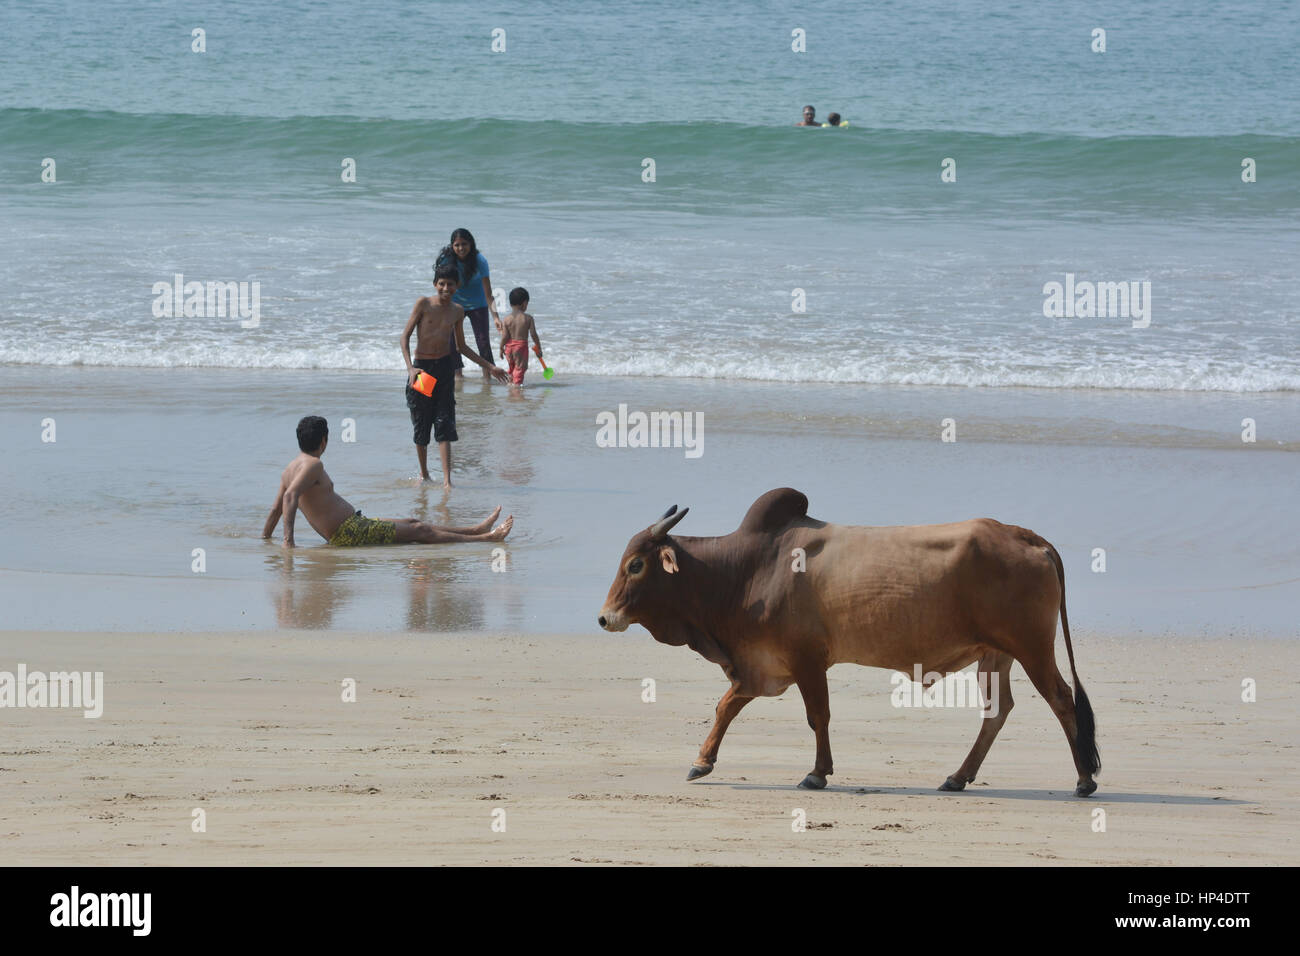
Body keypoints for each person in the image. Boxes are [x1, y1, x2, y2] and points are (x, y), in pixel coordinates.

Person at [262, 416, 513, 546]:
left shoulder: (290, 468)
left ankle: (474, 529)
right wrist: (288, 541)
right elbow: (289, 498)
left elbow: (275, 510)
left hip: (354, 524)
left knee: (414, 523)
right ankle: (486, 539)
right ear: (324, 441)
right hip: (348, 533)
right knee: (420, 532)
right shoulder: (314, 464)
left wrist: (265, 540)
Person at [401, 264, 510, 487]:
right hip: (422, 370)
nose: (446, 288)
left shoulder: (457, 311)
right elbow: (404, 338)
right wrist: (411, 368)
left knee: (445, 422)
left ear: (457, 286)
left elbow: (461, 347)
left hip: (444, 369)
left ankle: (447, 480)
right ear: (435, 284)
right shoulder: (423, 303)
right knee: (422, 424)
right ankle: (424, 474)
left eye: (450, 284)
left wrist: (490, 367)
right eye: (442, 284)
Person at [434, 228, 501, 380]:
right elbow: (440, 286)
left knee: (483, 341)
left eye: (464, 244)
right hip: (454, 305)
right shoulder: (446, 260)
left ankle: (488, 376)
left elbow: (488, 292)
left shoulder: (480, 261)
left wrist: (496, 317)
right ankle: (458, 376)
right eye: (457, 245)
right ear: (452, 246)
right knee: (451, 341)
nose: (461, 248)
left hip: (478, 305)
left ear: (471, 244)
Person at [498, 287, 543, 386]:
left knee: (512, 367)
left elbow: (505, 336)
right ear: (525, 303)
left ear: (510, 304)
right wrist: (538, 347)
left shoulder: (506, 319)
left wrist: (501, 347)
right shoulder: (528, 318)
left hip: (509, 347)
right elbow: (533, 334)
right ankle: (516, 388)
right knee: (520, 368)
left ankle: (511, 384)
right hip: (520, 347)